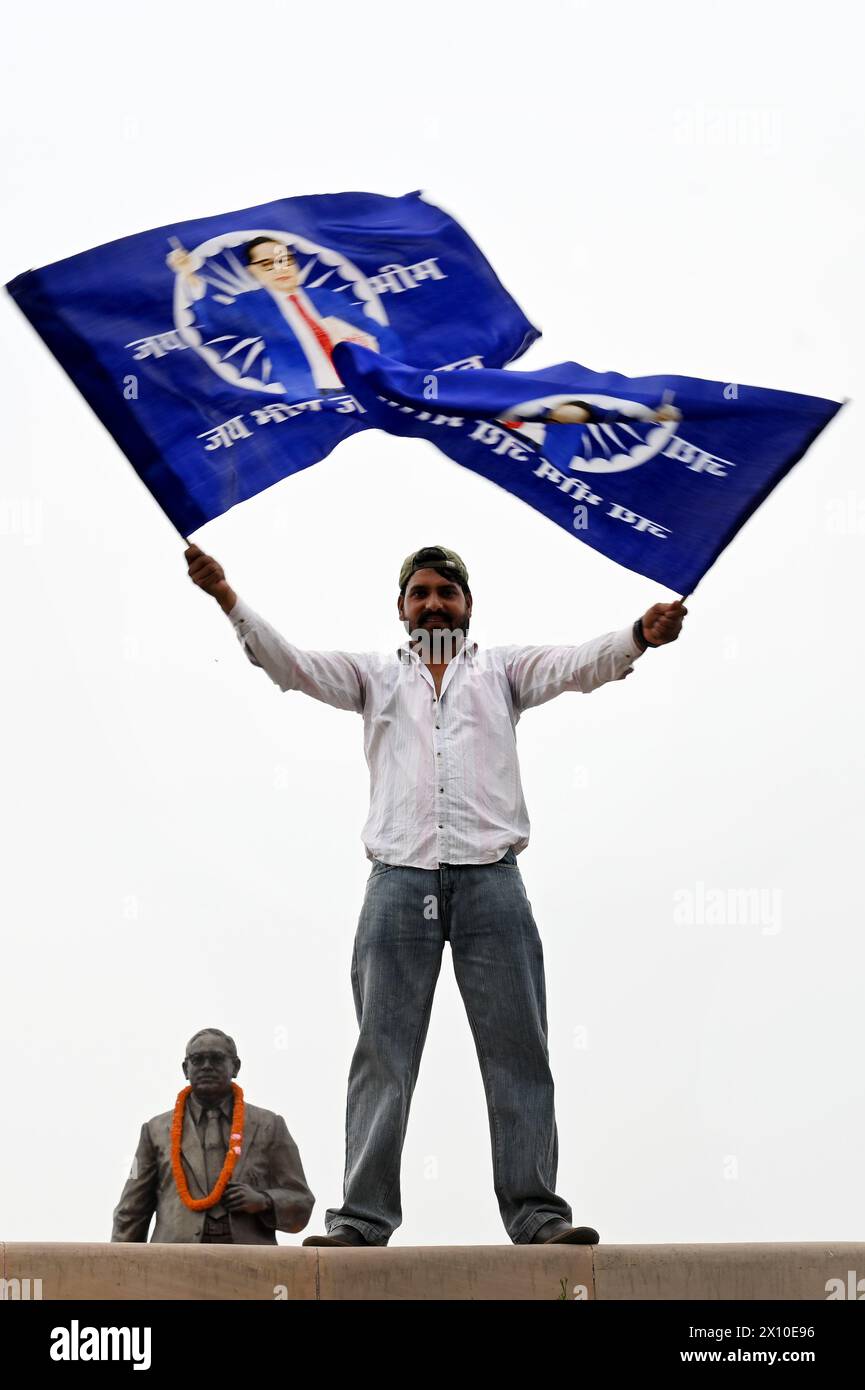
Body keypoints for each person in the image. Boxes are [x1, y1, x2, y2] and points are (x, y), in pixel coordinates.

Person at [185, 541, 687, 1247]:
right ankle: (360, 1220)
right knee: (381, 1057)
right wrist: (226, 597)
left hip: (491, 880)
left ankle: (536, 1214)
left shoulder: (502, 671)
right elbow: (290, 665)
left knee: (518, 1052)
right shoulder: (373, 677)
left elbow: (579, 666)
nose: (431, 604)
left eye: (444, 593)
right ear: (400, 609)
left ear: (466, 604)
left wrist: (638, 634)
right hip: (398, 881)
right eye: (419, 594)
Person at [111, 1028, 314, 1244]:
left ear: (235, 1067)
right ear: (185, 1069)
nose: (207, 1066)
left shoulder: (269, 1125)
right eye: (198, 1060)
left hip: (251, 1263)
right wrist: (118, 1270)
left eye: (216, 1059)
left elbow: (301, 1199)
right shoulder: (156, 1130)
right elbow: (131, 1209)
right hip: (175, 1262)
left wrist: (264, 1201)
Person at [168, 236, 392, 398]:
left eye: (284, 260)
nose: (279, 269)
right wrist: (190, 276)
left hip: (365, 383)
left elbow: (378, 333)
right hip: (312, 395)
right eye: (267, 265)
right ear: (252, 272)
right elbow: (218, 321)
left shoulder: (325, 298)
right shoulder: (253, 304)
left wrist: (392, 372)